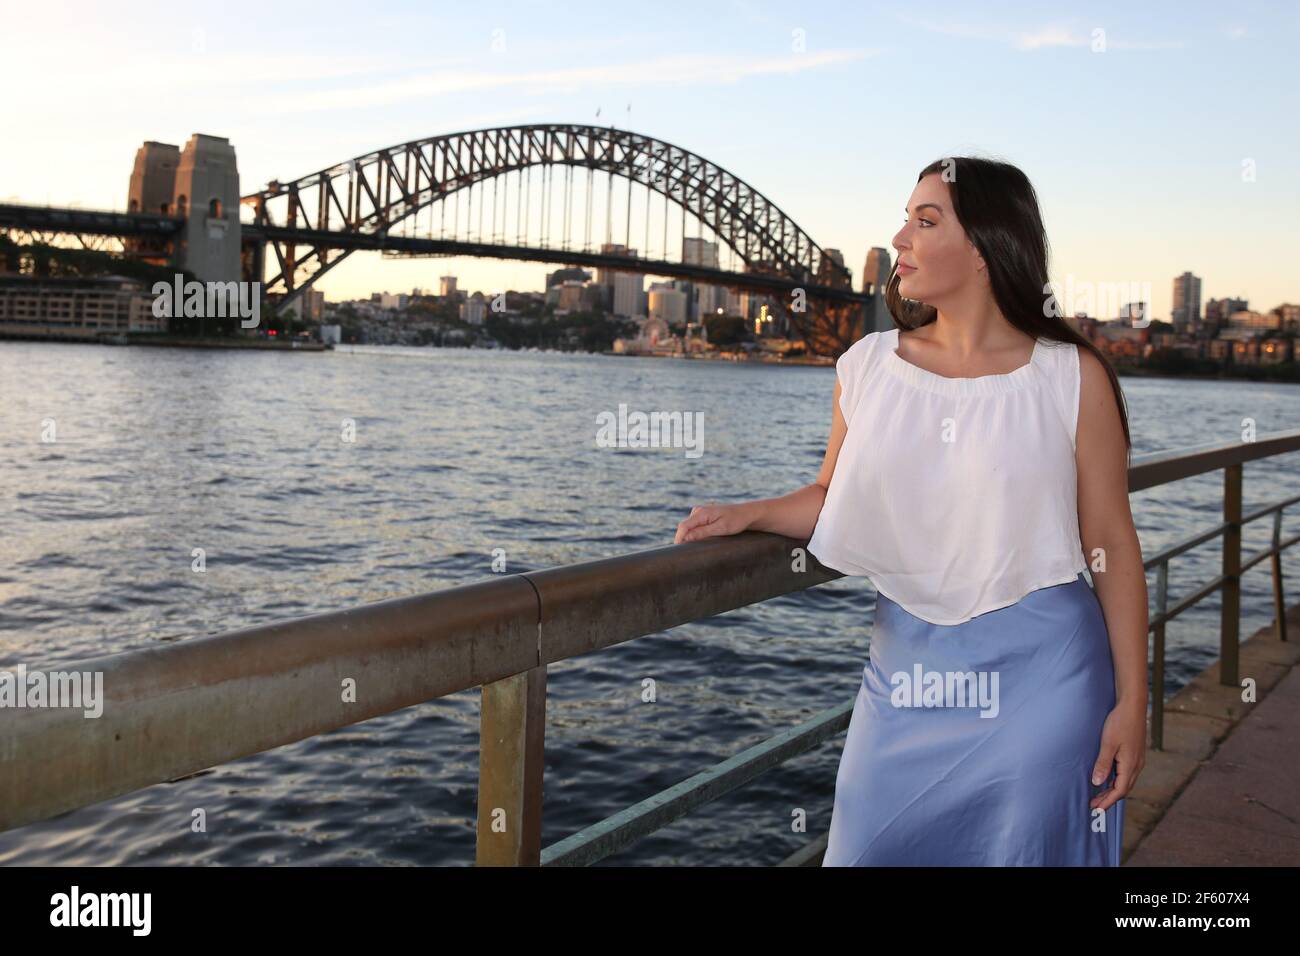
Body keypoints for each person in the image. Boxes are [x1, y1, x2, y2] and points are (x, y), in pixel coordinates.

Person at [673, 156, 1148, 865]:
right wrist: (753, 513)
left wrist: (1133, 703)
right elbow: (834, 498)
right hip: (905, 677)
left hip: (1044, 682)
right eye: (905, 218)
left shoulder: (1071, 376)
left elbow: (1110, 540)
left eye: (925, 221)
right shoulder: (866, 367)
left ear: (986, 249)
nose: (900, 238)